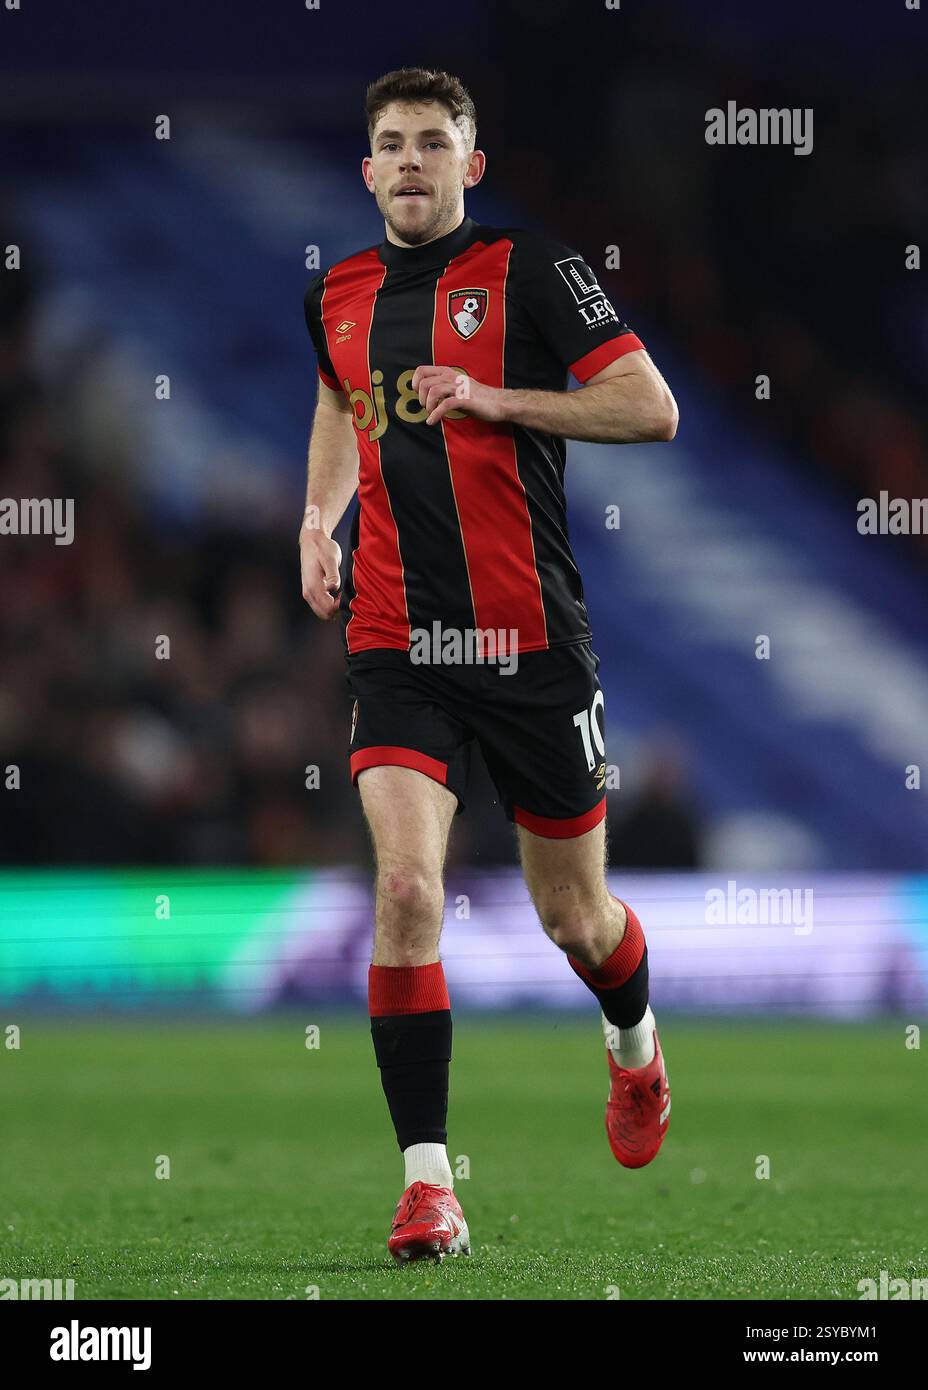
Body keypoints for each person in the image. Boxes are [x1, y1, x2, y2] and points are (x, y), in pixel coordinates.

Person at [300, 67, 678, 1263]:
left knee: (577, 918)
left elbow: (649, 407)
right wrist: (321, 518)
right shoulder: (337, 292)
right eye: (390, 144)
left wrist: (493, 400)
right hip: (398, 641)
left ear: (473, 162)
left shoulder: (532, 269)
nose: (411, 160)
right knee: (408, 893)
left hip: (529, 644)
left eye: (434, 141)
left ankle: (634, 1051)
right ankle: (429, 1186)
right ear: (367, 172)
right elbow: (338, 400)